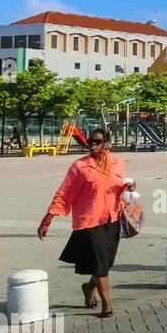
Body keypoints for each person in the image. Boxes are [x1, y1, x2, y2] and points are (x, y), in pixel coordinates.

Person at [37, 128, 136, 319]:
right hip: (89, 221)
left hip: (112, 218)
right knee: (100, 264)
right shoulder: (80, 167)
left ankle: (89, 287)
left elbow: (121, 185)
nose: (92, 144)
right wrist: (47, 219)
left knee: (106, 264)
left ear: (107, 144)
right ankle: (107, 305)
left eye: (97, 141)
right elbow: (64, 194)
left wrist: (130, 186)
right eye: (90, 141)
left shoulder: (117, 161)